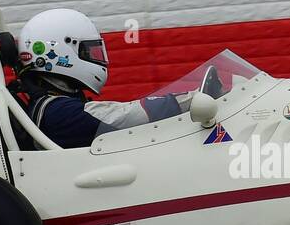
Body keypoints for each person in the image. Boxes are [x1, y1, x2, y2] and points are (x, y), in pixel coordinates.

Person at [12, 8, 191, 149]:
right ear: (60, 52)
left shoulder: (50, 106)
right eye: (88, 50)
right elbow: (125, 115)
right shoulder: (57, 112)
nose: (96, 57)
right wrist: (190, 100)